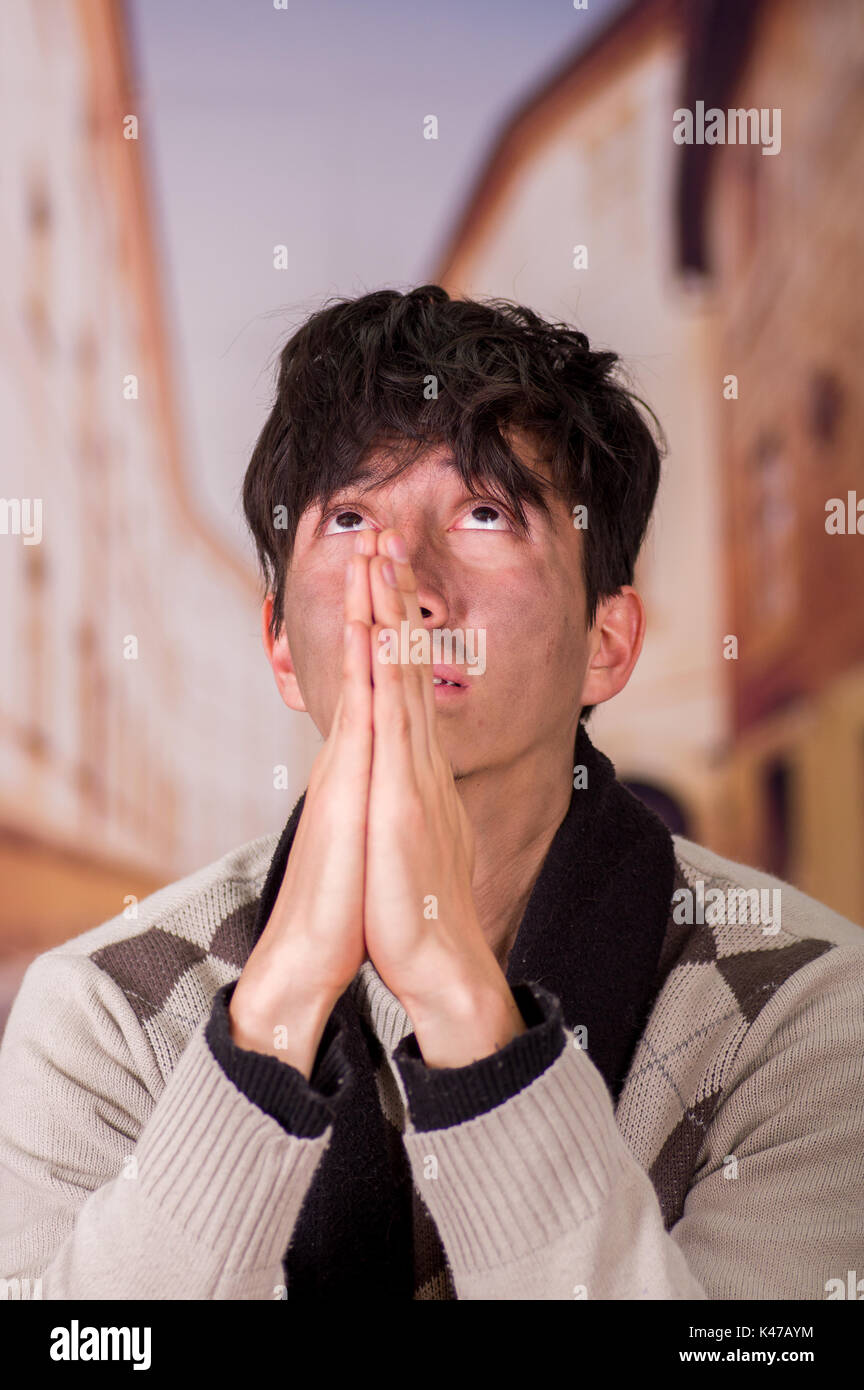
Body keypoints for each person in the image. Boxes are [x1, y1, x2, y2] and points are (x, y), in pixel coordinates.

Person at [1, 286, 862, 1301]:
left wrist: (461, 1000)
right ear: (280, 645)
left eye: (486, 514)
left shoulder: (802, 1010)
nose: (406, 585)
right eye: (353, 517)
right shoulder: (106, 1005)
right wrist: (272, 1018)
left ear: (607, 641)